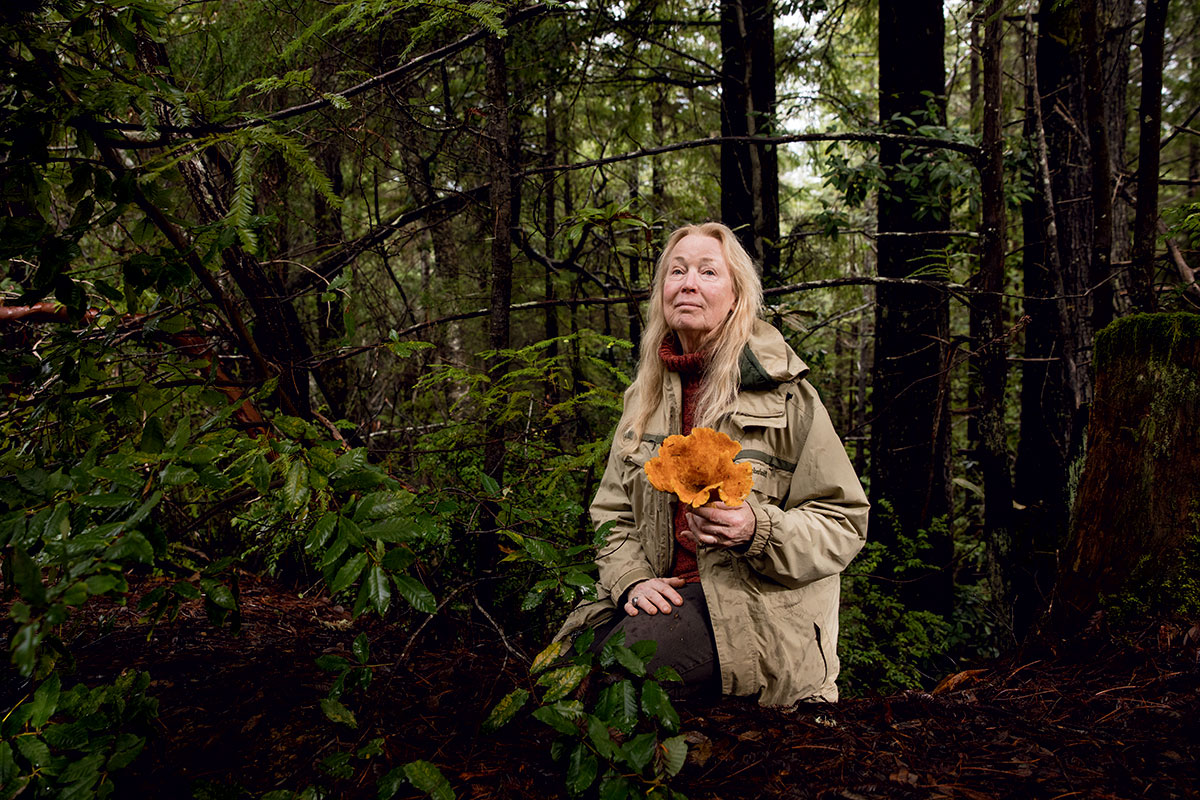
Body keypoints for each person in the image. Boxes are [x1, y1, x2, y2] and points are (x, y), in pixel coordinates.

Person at [557, 222, 869, 706]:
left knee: (618, 679)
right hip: (667, 599)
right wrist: (632, 581)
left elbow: (844, 523)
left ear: (736, 296)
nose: (688, 283)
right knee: (559, 673)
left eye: (708, 272)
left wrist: (756, 530)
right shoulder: (645, 400)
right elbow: (612, 513)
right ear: (662, 291)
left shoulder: (787, 397)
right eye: (676, 271)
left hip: (755, 614)